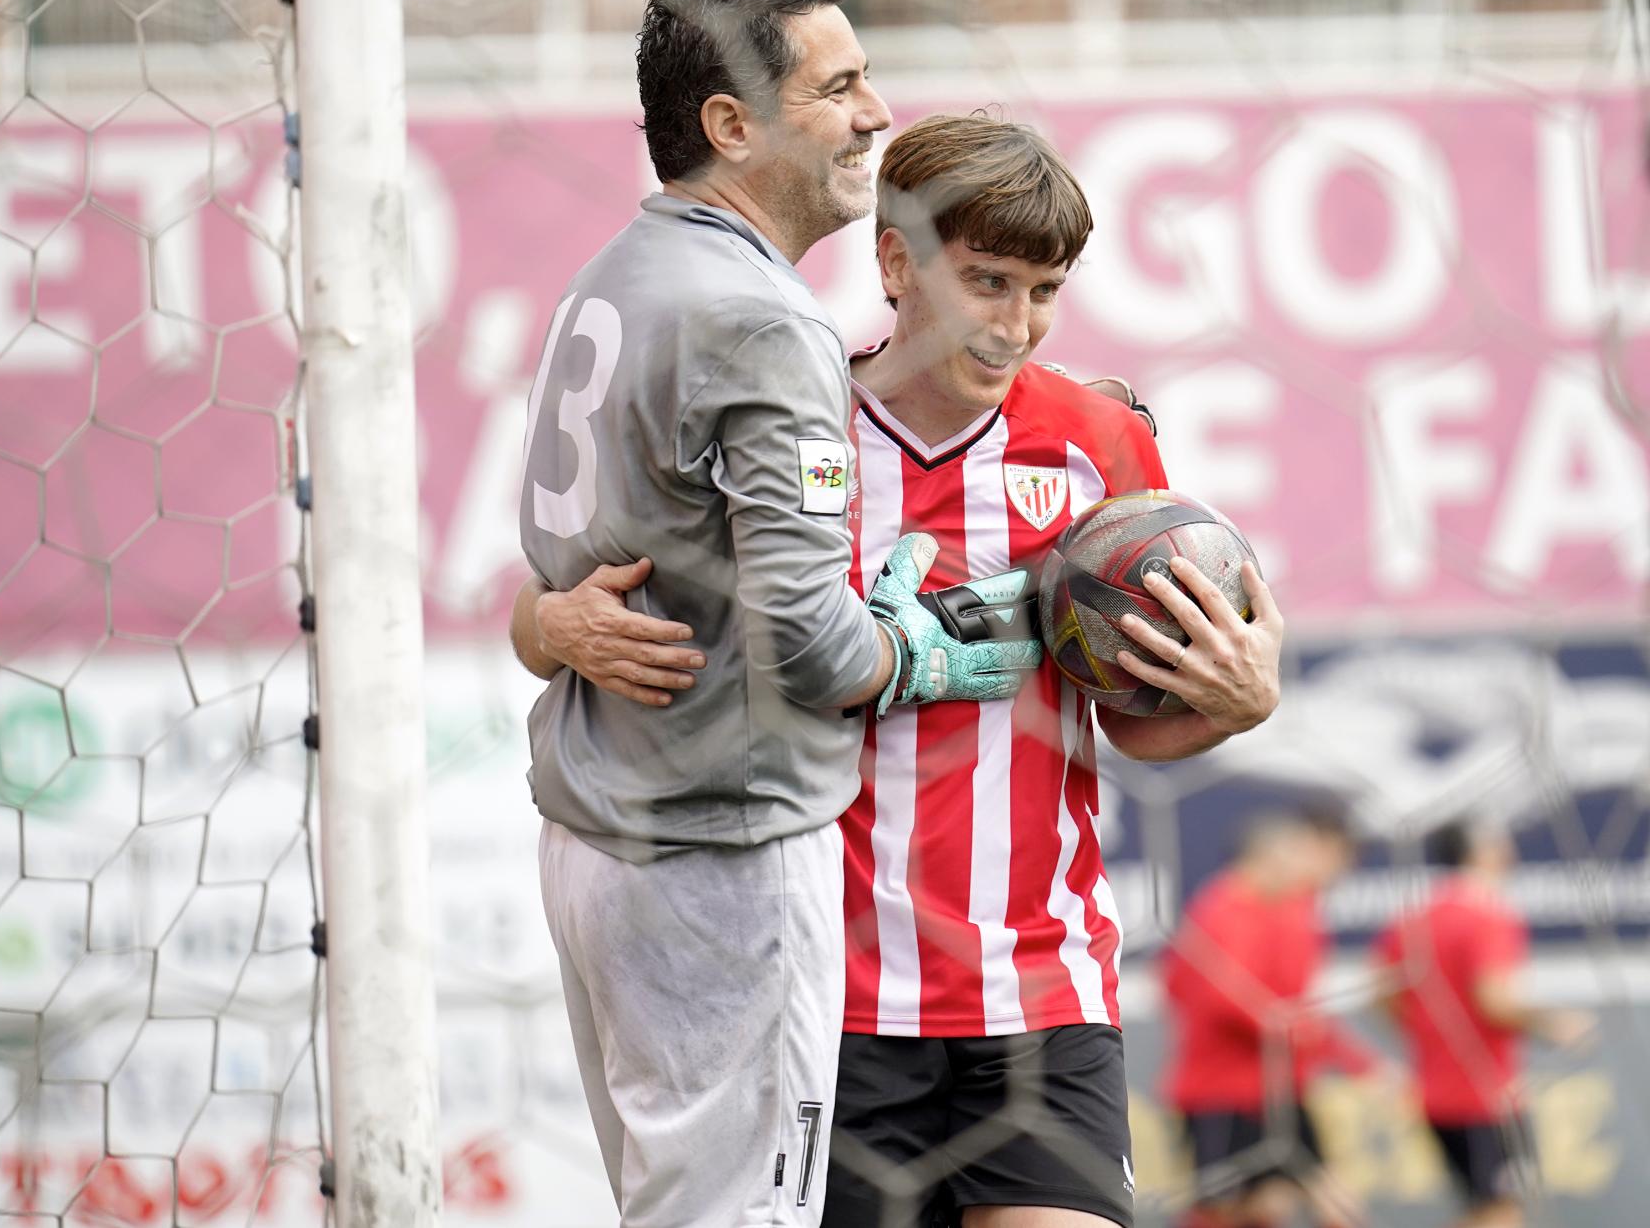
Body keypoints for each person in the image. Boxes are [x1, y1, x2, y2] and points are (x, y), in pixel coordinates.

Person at [527, 111, 1286, 1228]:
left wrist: (1239, 700)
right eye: (987, 281)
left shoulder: (1095, 444)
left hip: (1042, 983)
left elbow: (1132, 717)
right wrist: (554, 624)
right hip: (831, 995)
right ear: (894, 260)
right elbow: (549, 601)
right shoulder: (794, 414)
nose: (1014, 324)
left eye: (1043, 289)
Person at [512, 0, 1038, 1228]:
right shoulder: (760, 316)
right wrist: (913, 650)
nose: (876, 113)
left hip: (599, 837)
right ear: (732, 125)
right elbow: (808, 643)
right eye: (841, 85)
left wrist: (543, 626)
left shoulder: (610, 277)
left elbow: (559, 586)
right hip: (719, 851)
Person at [1160, 803, 1378, 1228]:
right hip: (1222, 1092)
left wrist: (1344, 1053)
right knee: (1226, 1209)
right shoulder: (1223, 909)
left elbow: (1291, 1005)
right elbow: (1219, 997)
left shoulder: (1286, 911)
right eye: (1294, 856)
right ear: (1268, 858)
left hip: (1274, 1089)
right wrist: (1297, 1031)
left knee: (1288, 1202)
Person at [1372, 818, 1593, 1228]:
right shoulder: (1488, 914)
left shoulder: (1413, 917)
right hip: (1484, 1095)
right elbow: (1494, 1001)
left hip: (1434, 1093)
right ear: (1482, 850)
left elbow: (1382, 993)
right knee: (1500, 1215)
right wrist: (1555, 1023)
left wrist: (1426, 1032)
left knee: (1482, 1210)